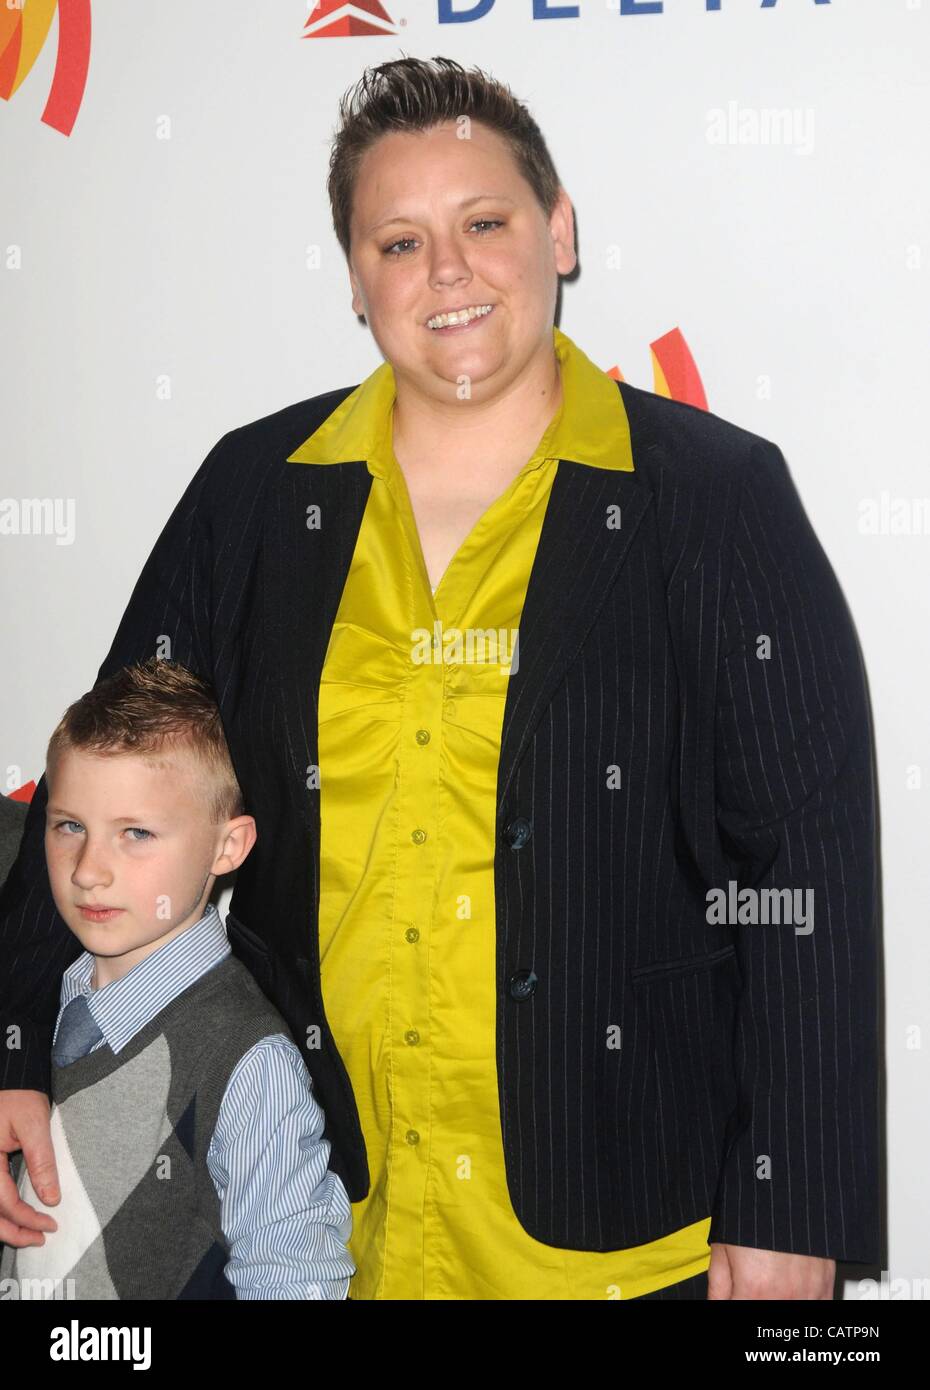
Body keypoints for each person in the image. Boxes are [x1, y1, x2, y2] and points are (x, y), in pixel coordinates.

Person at [0, 55, 880, 1300]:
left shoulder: (713, 496)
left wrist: (795, 1196)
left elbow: (806, 862)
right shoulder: (254, 492)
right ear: (357, 280)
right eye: (399, 241)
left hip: (628, 1228)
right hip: (310, 1209)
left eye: (484, 223)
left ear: (559, 230)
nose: (448, 270)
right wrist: (15, 1043)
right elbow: (108, 765)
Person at [0, 658, 355, 1299]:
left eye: (135, 833)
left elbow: (295, 1275)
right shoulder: (41, 1008)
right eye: (69, 826)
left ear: (228, 847)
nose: (87, 870)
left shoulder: (248, 1060)